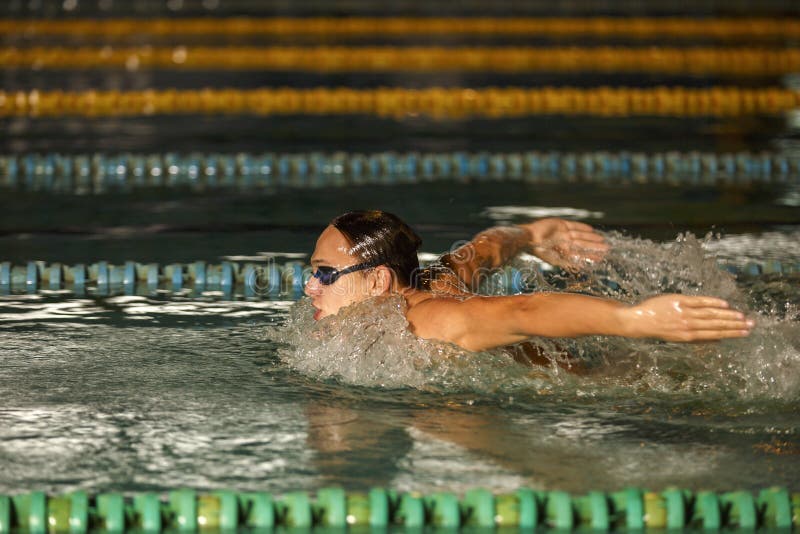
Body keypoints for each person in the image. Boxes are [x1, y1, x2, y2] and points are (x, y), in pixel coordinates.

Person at [304, 210, 753, 353]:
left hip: (604, 385)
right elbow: (484, 247)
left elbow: (523, 310)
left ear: (379, 279)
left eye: (324, 273)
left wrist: (637, 319)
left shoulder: (428, 321)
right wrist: (533, 234)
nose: (310, 287)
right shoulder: (435, 279)